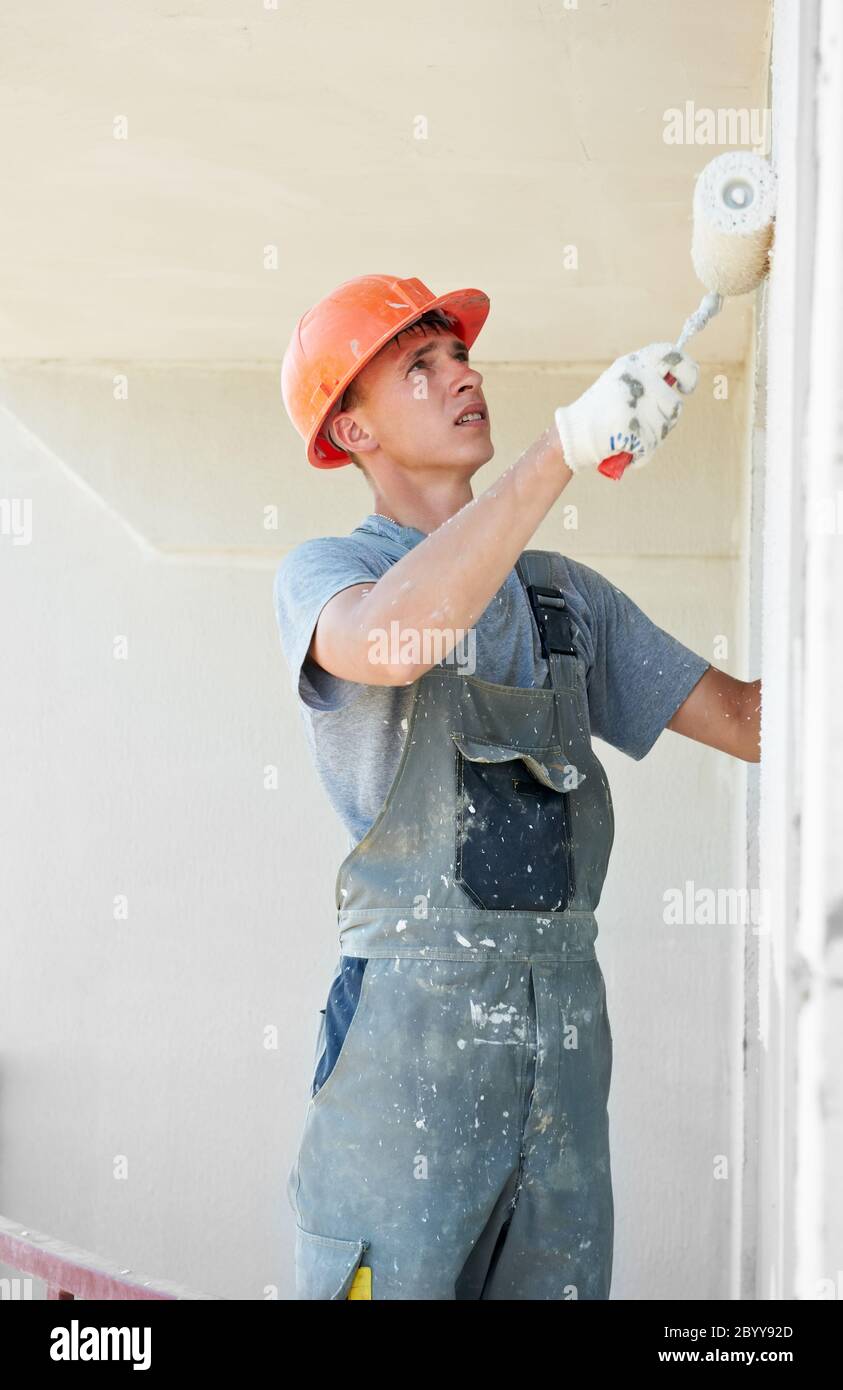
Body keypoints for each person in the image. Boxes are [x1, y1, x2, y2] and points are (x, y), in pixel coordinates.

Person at [274, 274, 761, 1301]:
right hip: (408, 1044)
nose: (464, 373)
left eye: (459, 355)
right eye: (422, 365)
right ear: (353, 432)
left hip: (567, 1040)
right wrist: (559, 453)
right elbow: (389, 644)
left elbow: (756, 725)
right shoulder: (329, 573)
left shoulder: (564, 601)